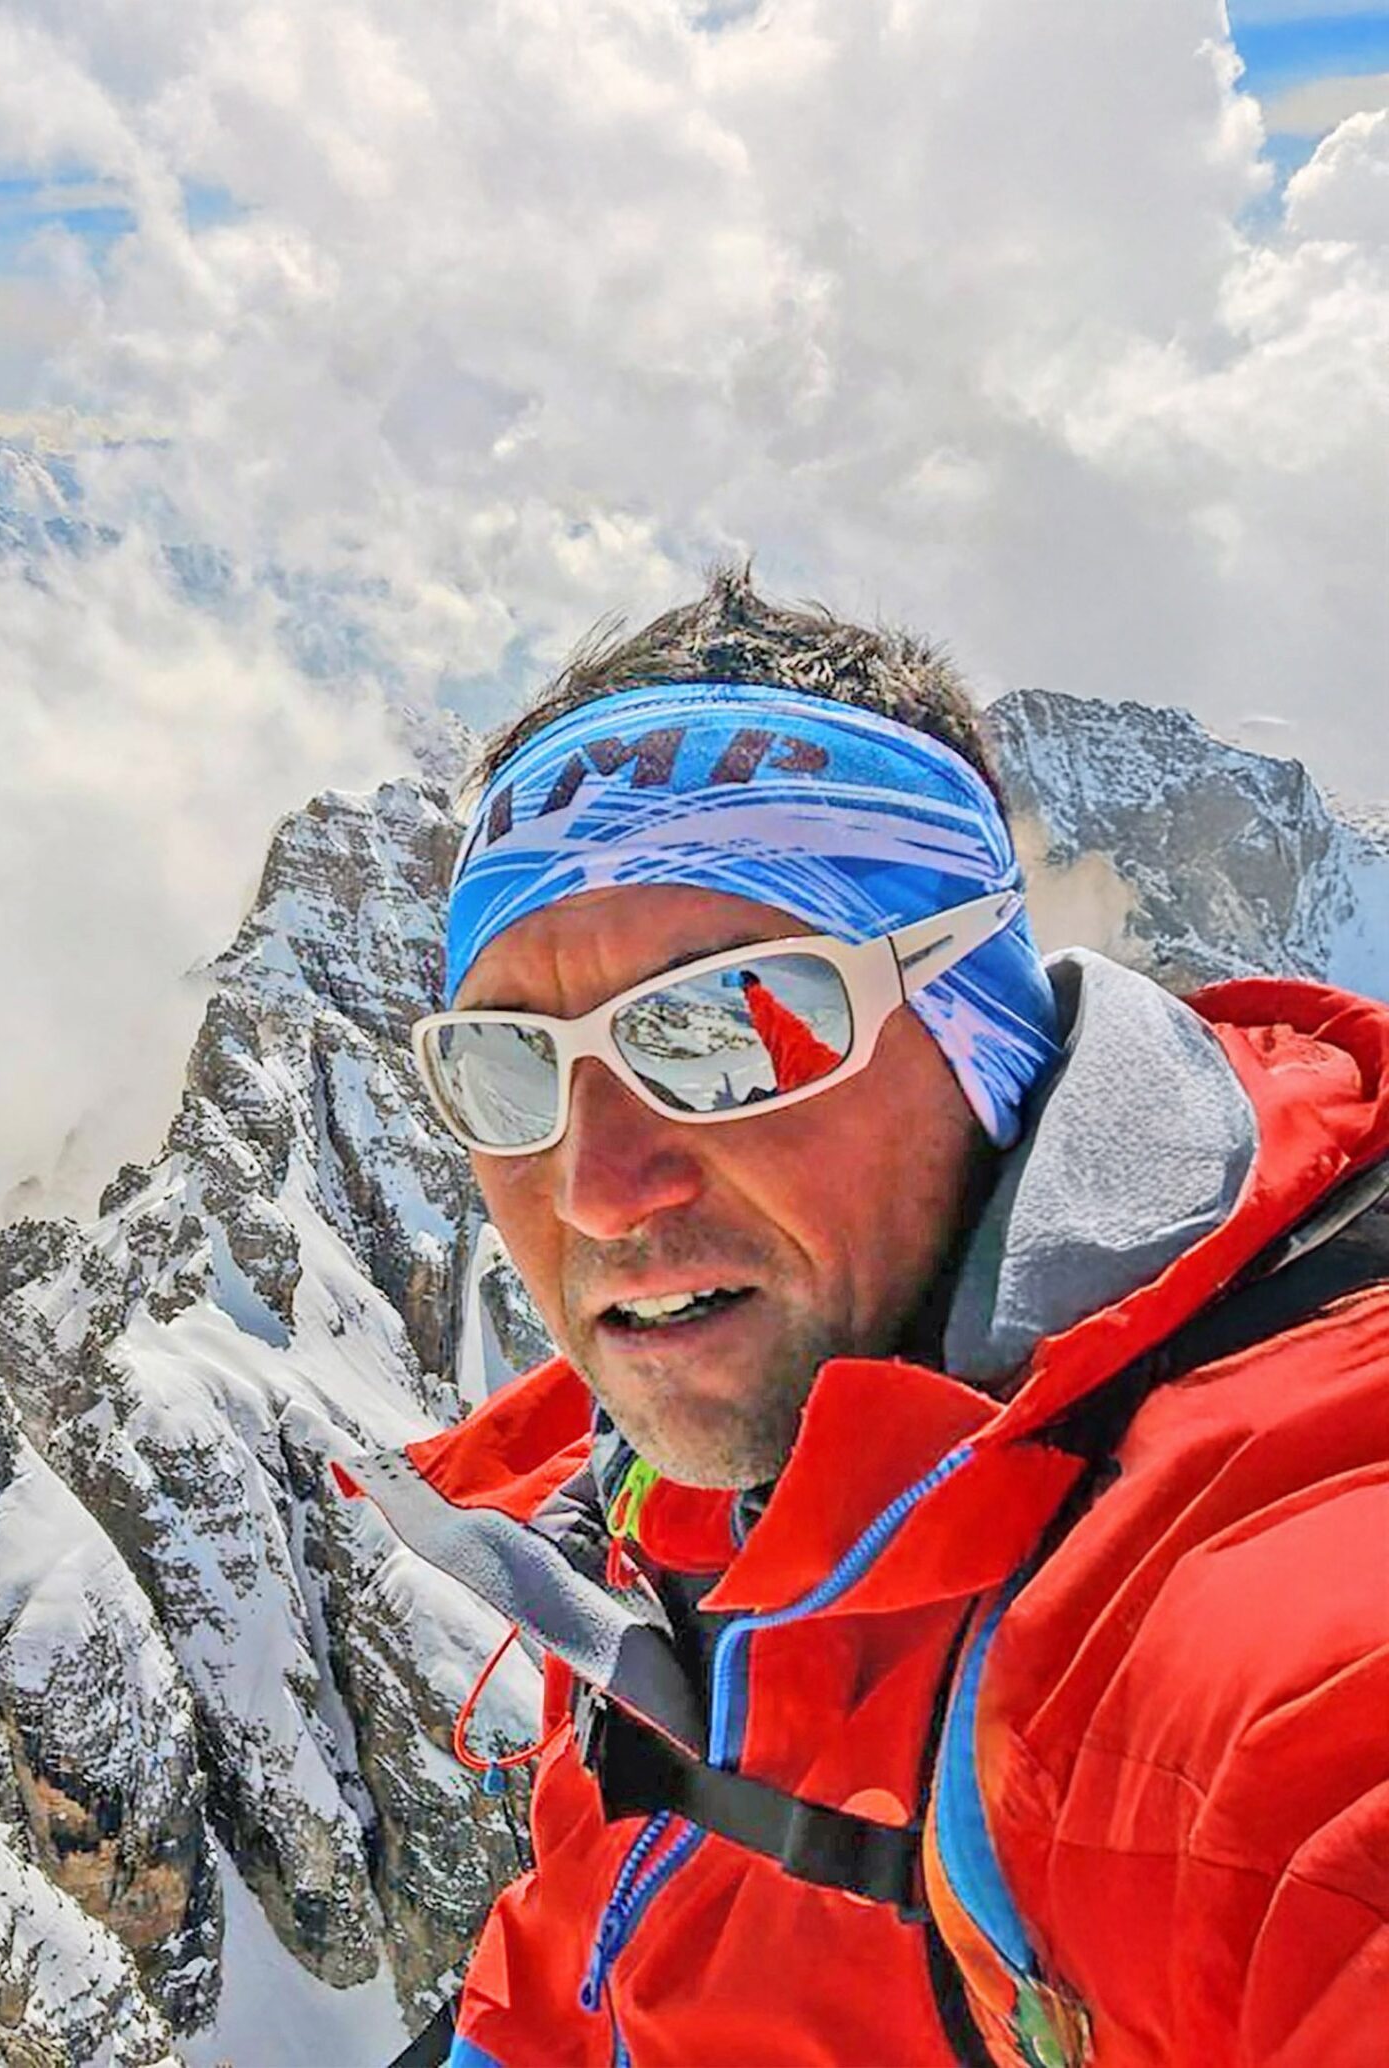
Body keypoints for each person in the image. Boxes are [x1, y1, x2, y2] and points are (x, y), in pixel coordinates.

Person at [344, 568, 1389, 2066]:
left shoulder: (1254, 1663)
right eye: (507, 1064)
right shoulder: (679, 1498)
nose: (594, 1186)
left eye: (730, 1029)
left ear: (981, 1028)